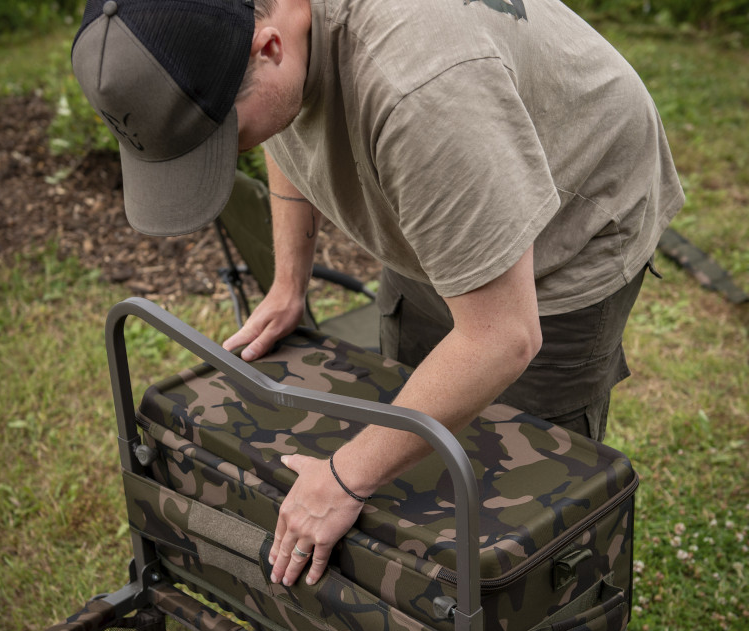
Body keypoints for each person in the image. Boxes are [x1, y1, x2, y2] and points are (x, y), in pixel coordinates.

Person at [72, 0, 684, 589]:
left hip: (572, 214)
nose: (235, 152)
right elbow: (288, 123)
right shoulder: (269, 36)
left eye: (227, 140)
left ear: (271, 47)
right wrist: (289, 284)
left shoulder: (420, 90)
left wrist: (343, 478)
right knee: (413, 439)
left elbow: (503, 335)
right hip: (452, 170)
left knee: (516, 493)